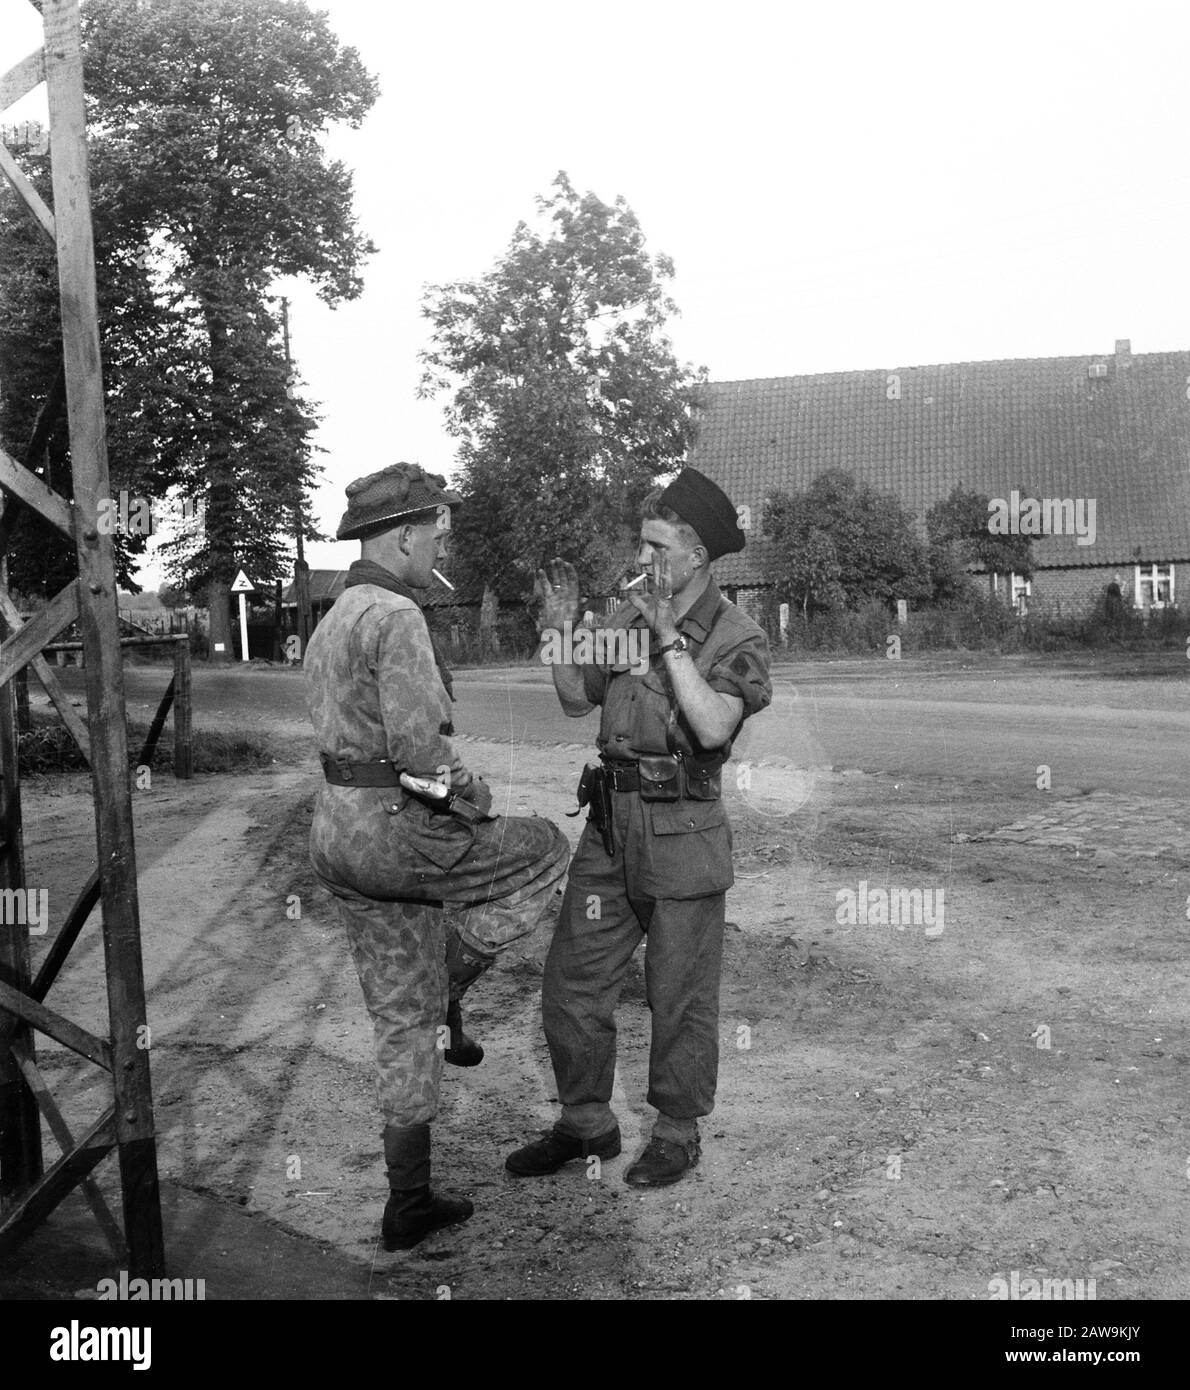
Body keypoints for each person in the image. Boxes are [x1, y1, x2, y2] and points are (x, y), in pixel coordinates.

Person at [305, 462, 570, 1249]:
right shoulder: (395, 615)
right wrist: (470, 794)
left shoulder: (332, 616)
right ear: (407, 536)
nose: (440, 550)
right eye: (437, 535)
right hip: (395, 827)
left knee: (400, 1019)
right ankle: (454, 968)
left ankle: (408, 1202)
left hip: (335, 833)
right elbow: (421, 750)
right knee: (547, 849)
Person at [505, 467, 772, 1188]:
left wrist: (668, 640)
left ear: (695, 557)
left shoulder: (736, 633)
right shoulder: (623, 622)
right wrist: (558, 629)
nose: (645, 562)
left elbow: (714, 726)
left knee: (678, 992)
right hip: (610, 825)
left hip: (682, 832)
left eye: (657, 549)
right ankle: (587, 1123)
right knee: (572, 980)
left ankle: (678, 1133)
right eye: (643, 547)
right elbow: (572, 698)